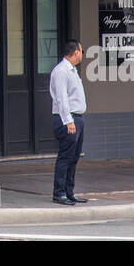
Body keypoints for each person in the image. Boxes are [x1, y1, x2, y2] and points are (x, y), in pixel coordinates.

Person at [49, 39, 88, 206]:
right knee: (65, 157)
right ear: (76, 52)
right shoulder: (61, 71)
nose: (82, 54)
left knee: (74, 157)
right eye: (81, 50)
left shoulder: (72, 70)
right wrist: (68, 121)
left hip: (77, 118)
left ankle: (69, 191)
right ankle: (59, 193)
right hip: (67, 118)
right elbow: (62, 98)